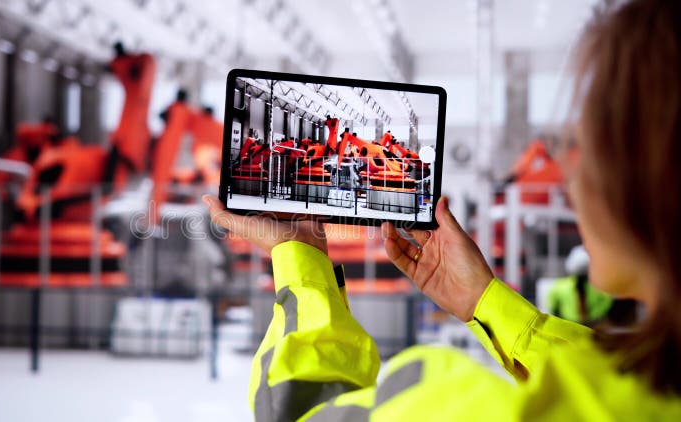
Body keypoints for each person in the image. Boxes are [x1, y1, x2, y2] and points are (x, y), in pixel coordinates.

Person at [203, 0, 681, 419]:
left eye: (588, 147)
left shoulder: (480, 407)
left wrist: (299, 254)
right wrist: (485, 301)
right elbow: (607, 379)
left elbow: (300, 407)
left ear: (650, 180)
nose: (573, 182)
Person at [548, 245, 613, 325]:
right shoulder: (601, 287)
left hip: (570, 325)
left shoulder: (560, 286)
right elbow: (607, 305)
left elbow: (553, 308)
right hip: (594, 325)